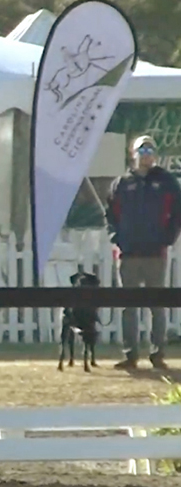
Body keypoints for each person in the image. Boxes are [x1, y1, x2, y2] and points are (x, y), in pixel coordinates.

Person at [105, 135, 181, 370]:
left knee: (156, 305)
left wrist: (167, 239)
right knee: (129, 306)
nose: (146, 154)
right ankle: (130, 355)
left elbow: (178, 213)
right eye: (142, 149)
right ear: (133, 154)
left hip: (155, 254)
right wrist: (116, 239)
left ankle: (158, 354)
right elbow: (110, 215)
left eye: (150, 149)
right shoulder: (121, 184)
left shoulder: (166, 181)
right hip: (128, 254)